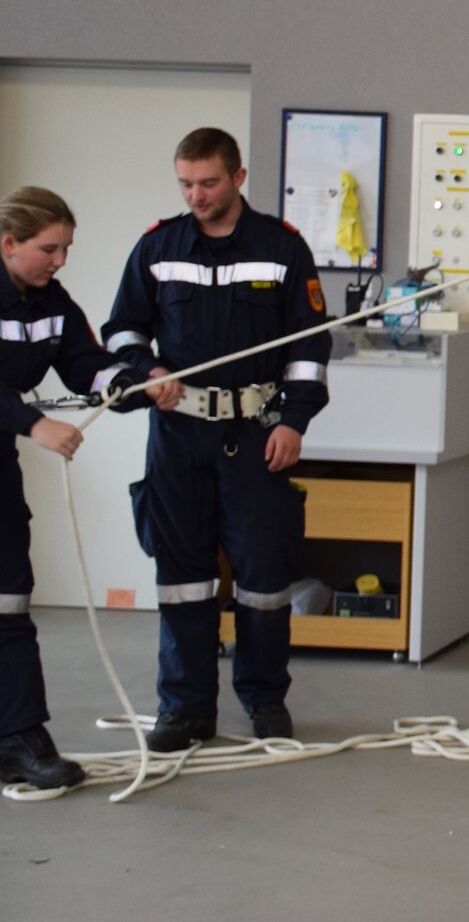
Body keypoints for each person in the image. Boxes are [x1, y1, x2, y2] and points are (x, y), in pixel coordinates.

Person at [103, 129, 332, 751]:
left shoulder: (282, 248)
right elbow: (121, 329)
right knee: (182, 577)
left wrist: (294, 421)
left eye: (207, 183)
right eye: (185, 184)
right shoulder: (158, 247)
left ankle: (264, 699)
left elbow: (310, 346)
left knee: (263, 576)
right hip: (178, 436)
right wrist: (147, 369)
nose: (196, 195)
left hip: (256, 435)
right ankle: (184, 709)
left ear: (238, 177)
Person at [0, 187, 148, 790]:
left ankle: (19, 738)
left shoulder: (51, 301)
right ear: (8, 244)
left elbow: (85, 361)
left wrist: (129, 383)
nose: (59, 261)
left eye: (66, 249)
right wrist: (34, 423)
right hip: (12, 430)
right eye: (48, 249)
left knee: (9, 602)